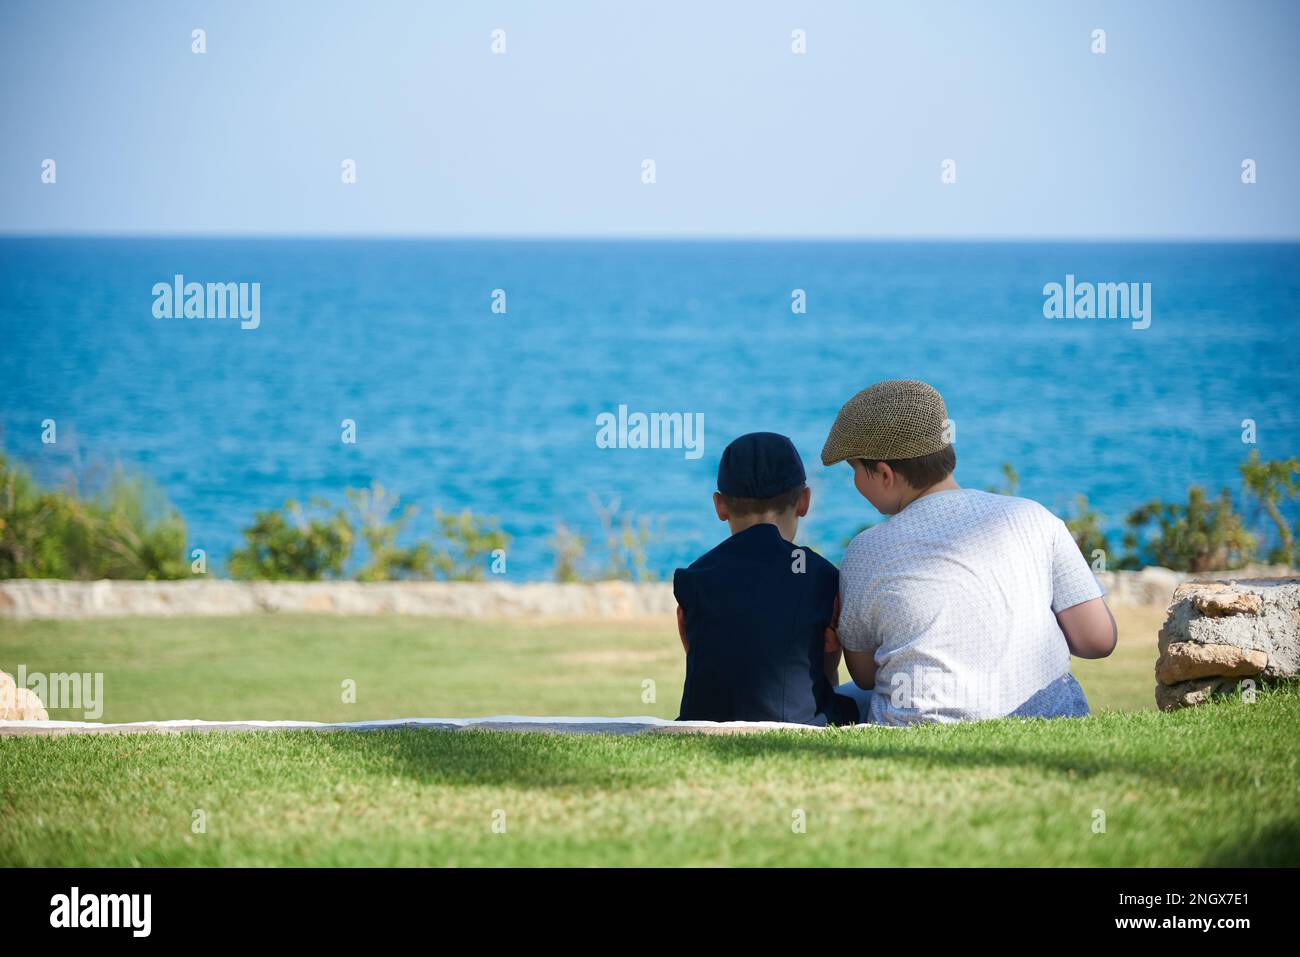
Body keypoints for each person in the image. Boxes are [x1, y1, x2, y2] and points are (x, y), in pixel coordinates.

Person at [822, 378, 1117, 726]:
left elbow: (866, 675)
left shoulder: (864, 551)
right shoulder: (1033, 517)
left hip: (920, 725)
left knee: (842, 699)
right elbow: (1098, 640)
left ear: (885, 474)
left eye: (855, 471)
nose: (855, 482)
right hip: (1051, 717)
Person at [674, 432, 858, 725]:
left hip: (701, 720)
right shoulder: (819, 575)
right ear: (804, 501)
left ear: (720, 505)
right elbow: (822, 671)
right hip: (799, 720)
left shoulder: (693, 578)